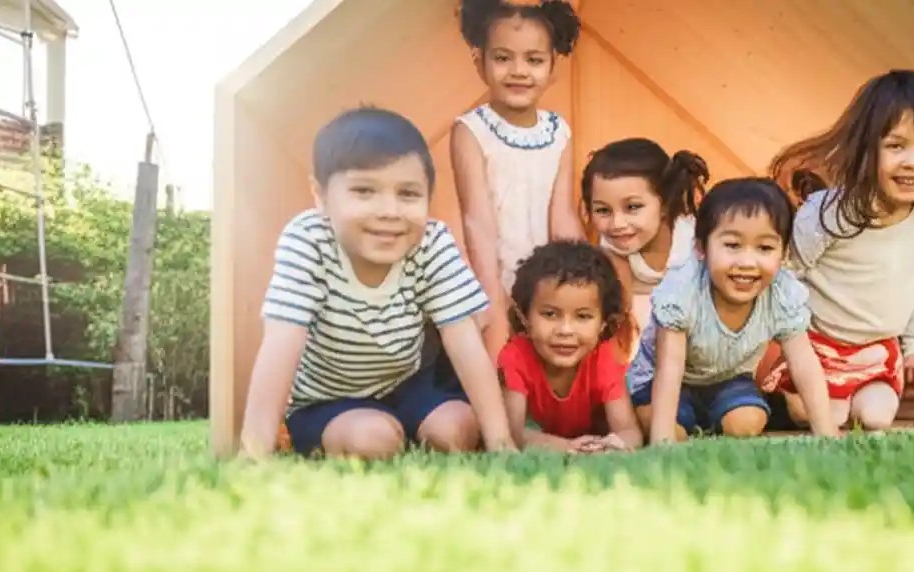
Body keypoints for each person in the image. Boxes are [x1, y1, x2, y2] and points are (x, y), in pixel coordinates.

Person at [240, 107, 516, 459]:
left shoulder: (430, 241)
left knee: (457, 431)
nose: (390, 211)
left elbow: (463, 338)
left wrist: (501, 441)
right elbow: (282, 342)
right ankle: (379, 433)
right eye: (364, 191)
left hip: (410, 385)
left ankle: (408, 427)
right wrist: (255, 448)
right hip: (329, 399)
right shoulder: (308, 240)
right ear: (321, 196)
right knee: (371, 440)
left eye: (408, 194)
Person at [760, 69, 914, 431]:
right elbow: (786, 273)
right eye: (896, 145)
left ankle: (835, 399)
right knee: (828, 416)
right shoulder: (831, 213)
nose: (913, 161)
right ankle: (788, 398)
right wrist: (784, 347)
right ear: (866, 148)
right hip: (815, 347)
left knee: (876, 417)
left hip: (876, 353)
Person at [626, 178, 839, 444]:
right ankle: (687, 422)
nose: (747, 263)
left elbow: (804, 363)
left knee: (745, 424)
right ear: (701, 248)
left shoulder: (782, 292)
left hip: (728, 381)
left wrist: (826, 432)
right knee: (669, 431)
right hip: (665, 383)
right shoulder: (684, 291)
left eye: (765, 248)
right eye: (732, 245)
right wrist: (662, 439)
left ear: (783, 252)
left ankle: (737, 412)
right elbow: (670, 369)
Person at [451, 0, 586, 358]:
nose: (518, 71)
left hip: (548, 280)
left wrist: (586, 278)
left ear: (553, 64)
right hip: (495, 277)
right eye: (502, 58)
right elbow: (476, 221)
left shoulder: (558, 131)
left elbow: (563, 215)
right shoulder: (472, 130)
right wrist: (493, 299)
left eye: (534, 59)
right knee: (503, 365)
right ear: (478, 61)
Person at [497, 241, 642, 453]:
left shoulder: (604, 358)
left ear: (603, 323)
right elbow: (512, 434)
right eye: (550, 314)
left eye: (582, 316)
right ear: (524, 316)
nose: (565, 330)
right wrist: (566, 447)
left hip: (599, 433)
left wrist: (610, 446)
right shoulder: (516, 357)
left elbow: (630, 432)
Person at [580, 138, 709, 344]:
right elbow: (622, 313)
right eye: (603, 210)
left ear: (665, 203)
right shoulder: (612, 250)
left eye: (632, 207)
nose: (617, 223)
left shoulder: (695, 241)